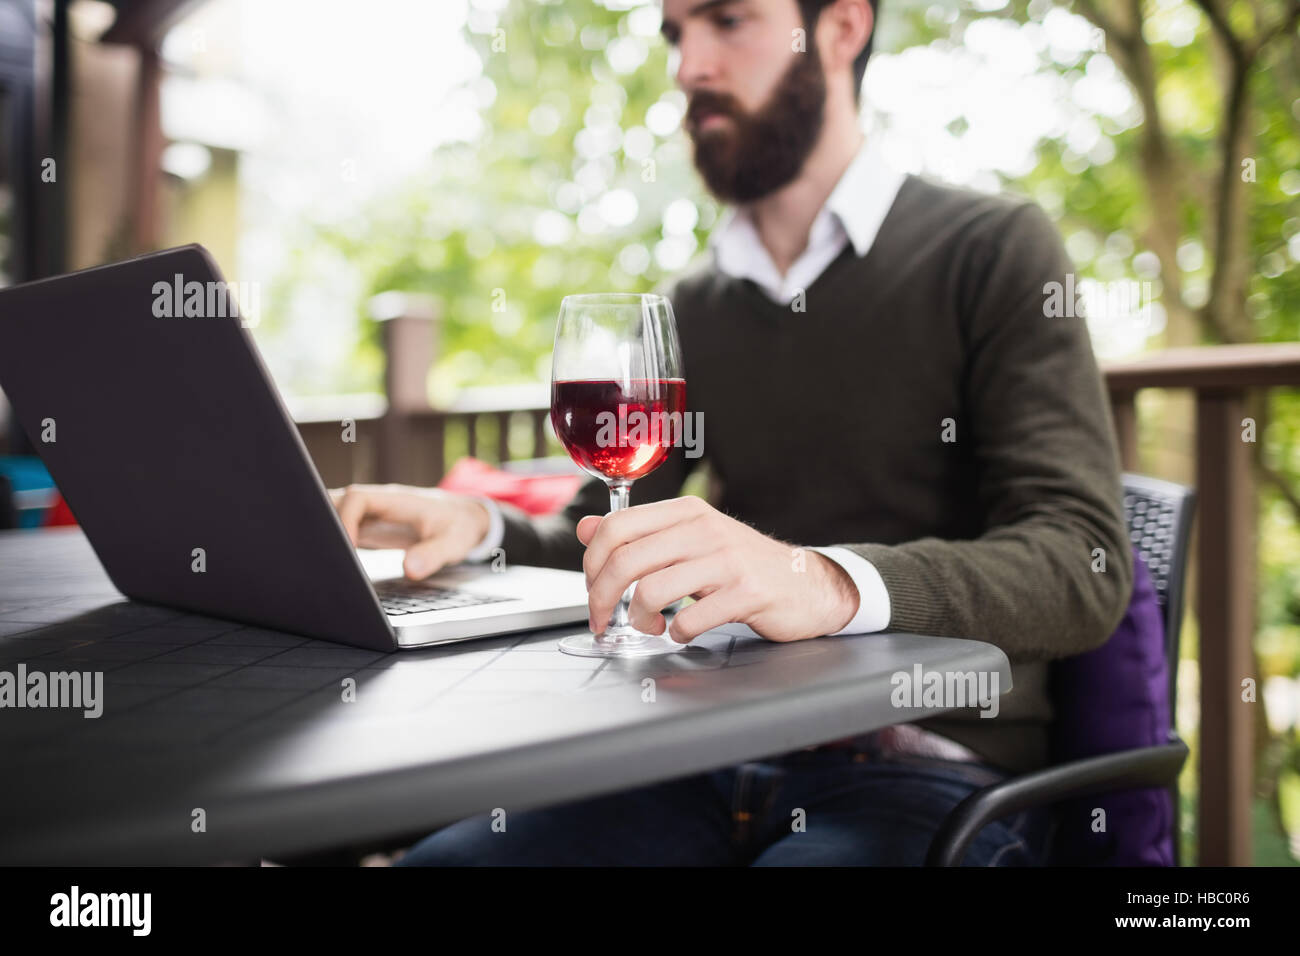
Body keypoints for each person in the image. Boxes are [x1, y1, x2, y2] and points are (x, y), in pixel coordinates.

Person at [332, 0, 1133, 866]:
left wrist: (818, 581)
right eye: (678, 34)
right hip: (702, 753)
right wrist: (479, 528)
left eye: (727, 22)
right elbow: (599, 534)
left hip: (924, 775)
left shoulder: (994, 250)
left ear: (841, 30)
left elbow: (1080, 561)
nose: (688, 66)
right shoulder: (697, 307)